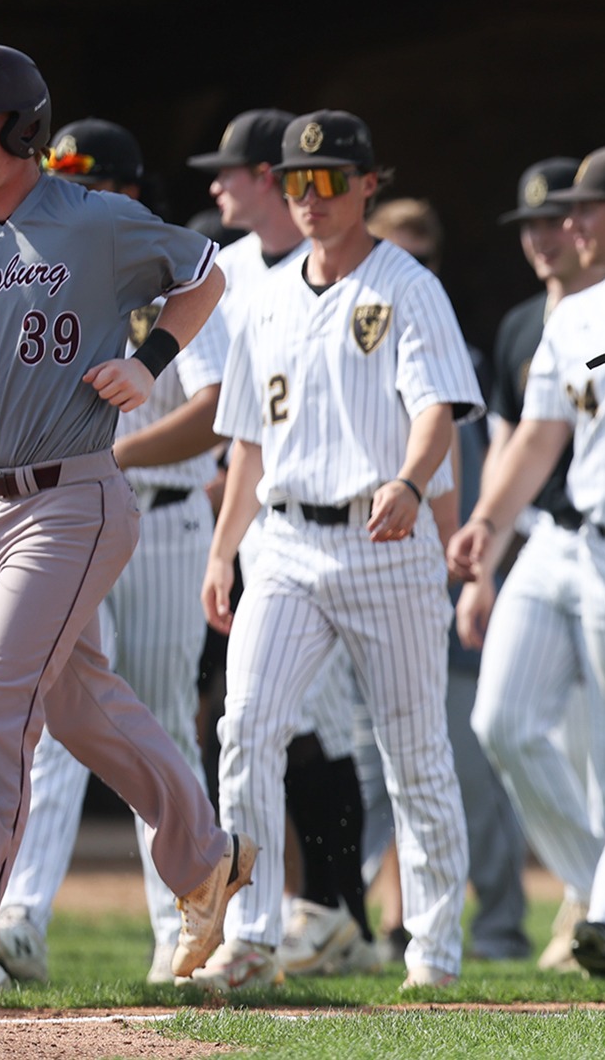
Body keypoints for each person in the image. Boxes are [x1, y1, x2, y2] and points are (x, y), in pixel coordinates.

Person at [0, 43, 254, 1006]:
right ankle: (208, 853)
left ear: (25, 130)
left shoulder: (95, 219)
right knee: (80, 705)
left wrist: (152, 358)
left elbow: (206, 273)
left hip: (76, 498)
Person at [198, 109, 480, 992]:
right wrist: (221, 552)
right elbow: (246, 441)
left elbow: (437, 406)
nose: (309, 197)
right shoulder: (267, 294)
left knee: (412, 749)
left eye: (327, 180)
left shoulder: (407, 285)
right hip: (281, 541)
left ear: (367, 184)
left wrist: (409, 479)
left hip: (382, 537)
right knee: (244, 725)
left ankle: (432, 951)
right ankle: (249, 933)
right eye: (294, 182)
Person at [188, 107, 377, 977]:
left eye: (231, 170)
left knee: (327, 723)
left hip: (348, 523)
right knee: (258, 720)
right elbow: (233, 418)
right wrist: (225, 542)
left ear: (272, 177)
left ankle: (344, 912)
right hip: (265, 521)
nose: (217, 184)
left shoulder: (351, 271)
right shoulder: (227, 272)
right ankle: (312, 912)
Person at [453, 153, 605, 973]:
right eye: (530, 226)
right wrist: (485, 557)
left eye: (557, 219)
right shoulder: (524, 326)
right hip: (546, 540)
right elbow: (512, 448)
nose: (544, 238)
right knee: (507, 726)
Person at [361, 194, 533, 965]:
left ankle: (499, 924)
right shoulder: (339, 335)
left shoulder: (453, 350)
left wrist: (470, 573)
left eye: (422, 257)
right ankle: (388, 919)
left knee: (469, 761)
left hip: (443, 575)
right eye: (398, 253)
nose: (411, 270)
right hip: (360, 574)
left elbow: (477, 468)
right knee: (377, 764)